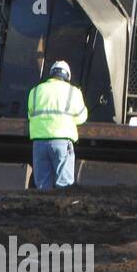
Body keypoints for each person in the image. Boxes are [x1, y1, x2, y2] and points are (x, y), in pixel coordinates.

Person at [26, 60, 89, 189]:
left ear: (51, 74)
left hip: (39, 143)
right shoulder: (73, 92)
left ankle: (44, 209)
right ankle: (62, 209)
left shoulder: (35, 91)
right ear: (67, 76)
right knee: (64, 185)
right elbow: (81, 117)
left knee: (43, 186)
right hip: (62, 142)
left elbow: (30, 115)